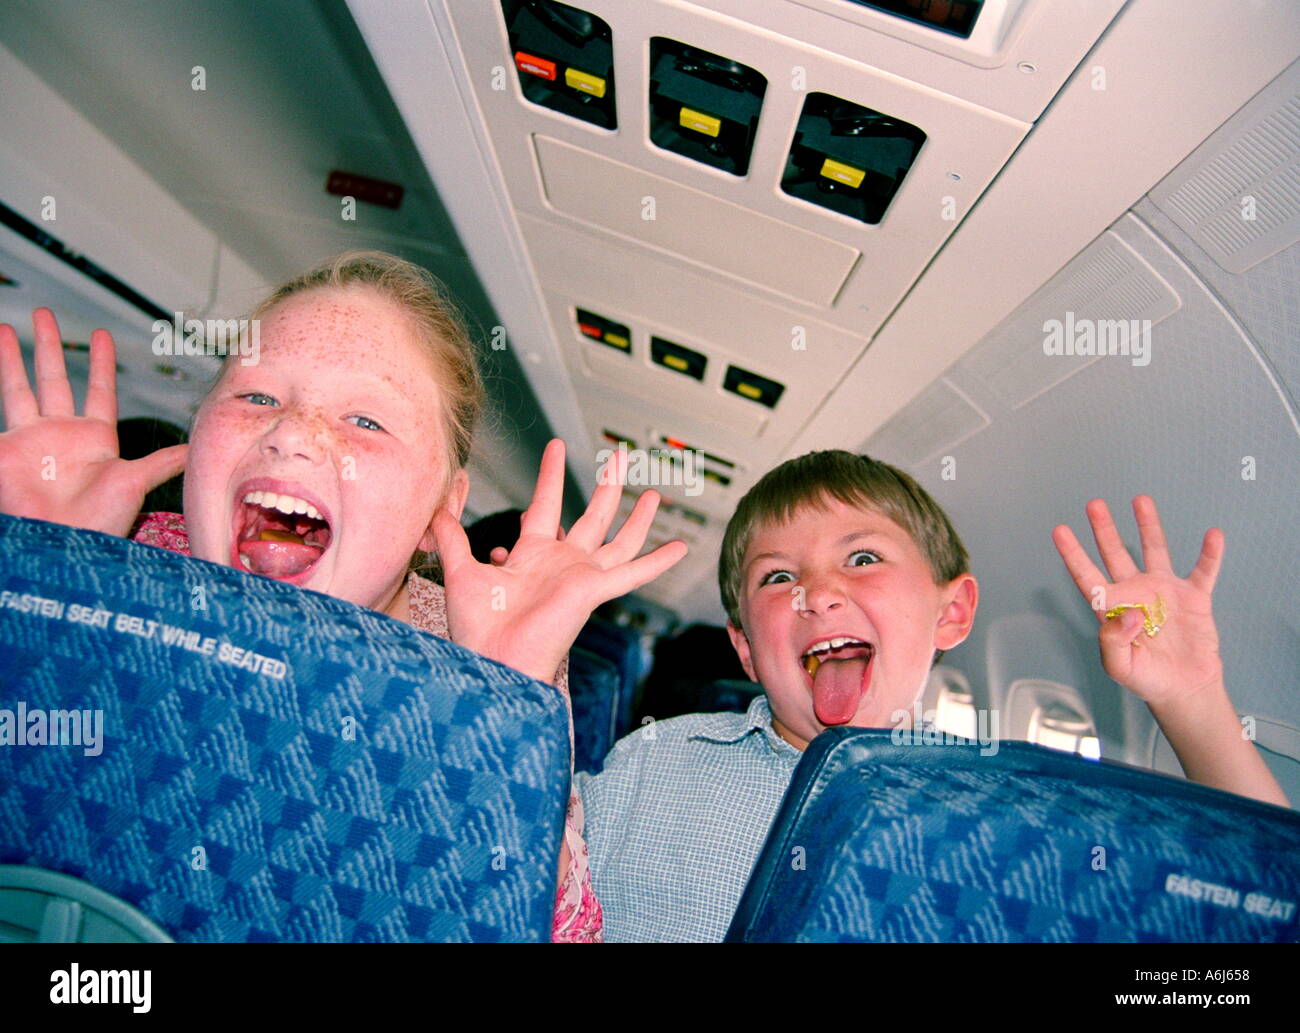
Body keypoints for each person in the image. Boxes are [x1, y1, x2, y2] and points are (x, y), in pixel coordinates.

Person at [0, 250, 687, 942]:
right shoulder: (113, 557)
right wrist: (40, 580)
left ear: (438, 514)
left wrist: (495, 715)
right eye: (256, 396)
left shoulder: (478, 655)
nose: (292, 434)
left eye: (366, 420)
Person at [576, 449, 1287, 942]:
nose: (819, 593)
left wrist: (1194, 701)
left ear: (951, 613)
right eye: (777, 577)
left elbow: (1255, 917)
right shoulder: (652, 763)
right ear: (746, 651)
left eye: (862, 558)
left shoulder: (1007, 810)